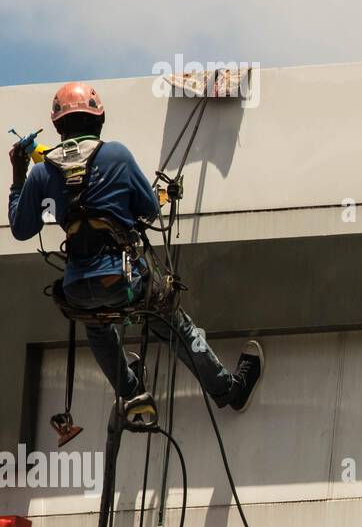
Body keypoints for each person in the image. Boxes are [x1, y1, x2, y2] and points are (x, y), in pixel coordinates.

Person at [8, 82, 264, 414]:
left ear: (57, 126)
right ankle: (228, 390)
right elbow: (149, 209)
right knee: (172, 321)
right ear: (99, 120)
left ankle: (132, 395)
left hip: (78, 290)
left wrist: (18, 177)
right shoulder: (116, 155)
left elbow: (21, 228)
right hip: (124, 281)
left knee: (97, 326)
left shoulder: (42, 172)